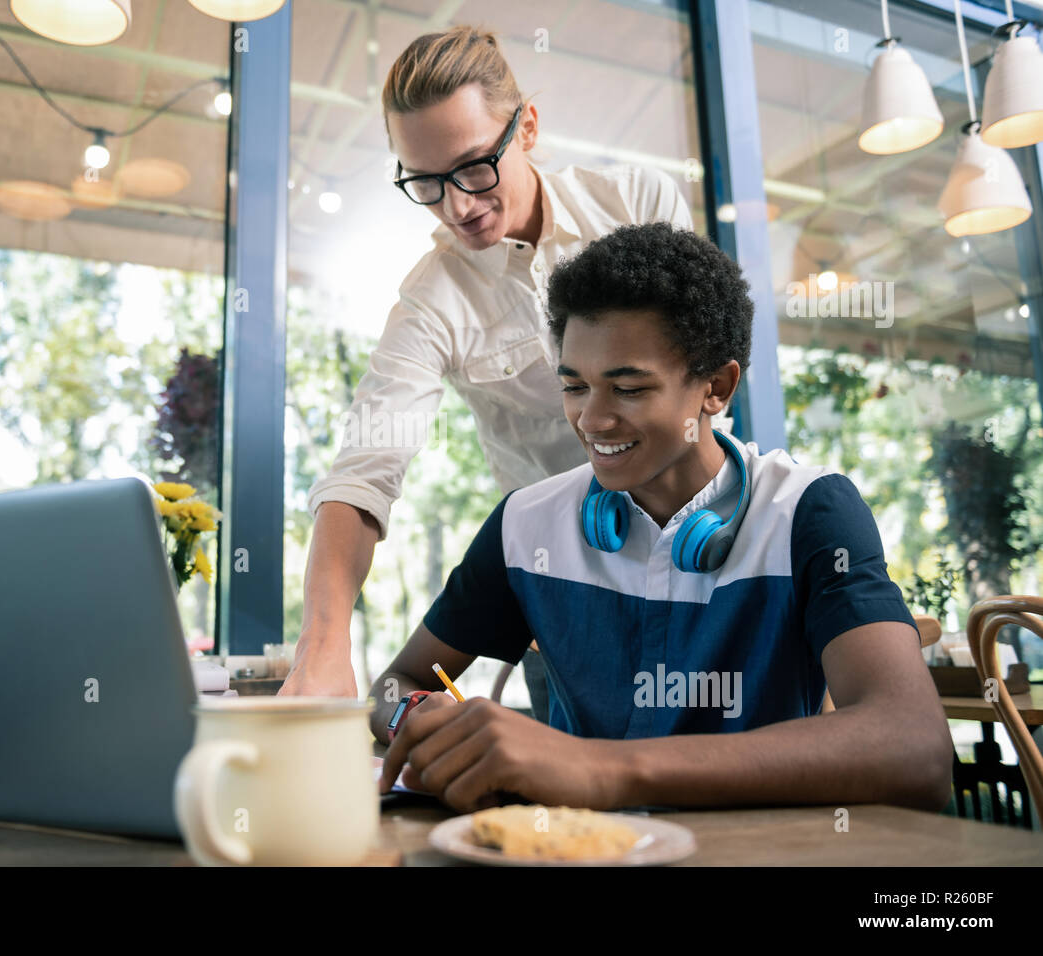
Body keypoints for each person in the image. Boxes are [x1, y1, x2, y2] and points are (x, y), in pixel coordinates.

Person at [373, 222, 953, 814]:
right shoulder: (525, 524)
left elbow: (914, 747)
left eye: (627, 389)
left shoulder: (808, 511)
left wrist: (597, 769)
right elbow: (396, 684)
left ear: (716, 387)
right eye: (575, 386)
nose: (591, 421)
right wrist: (419, 716)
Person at [280, 24, 693, 699]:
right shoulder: (431, 300)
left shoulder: (637, 206)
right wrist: (322, 645)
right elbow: (365, 469)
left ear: (526, 127)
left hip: (696, 554)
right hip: (563, 594)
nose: (458, 206)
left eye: (474, 166)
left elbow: (695, 380)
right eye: (427, 182)